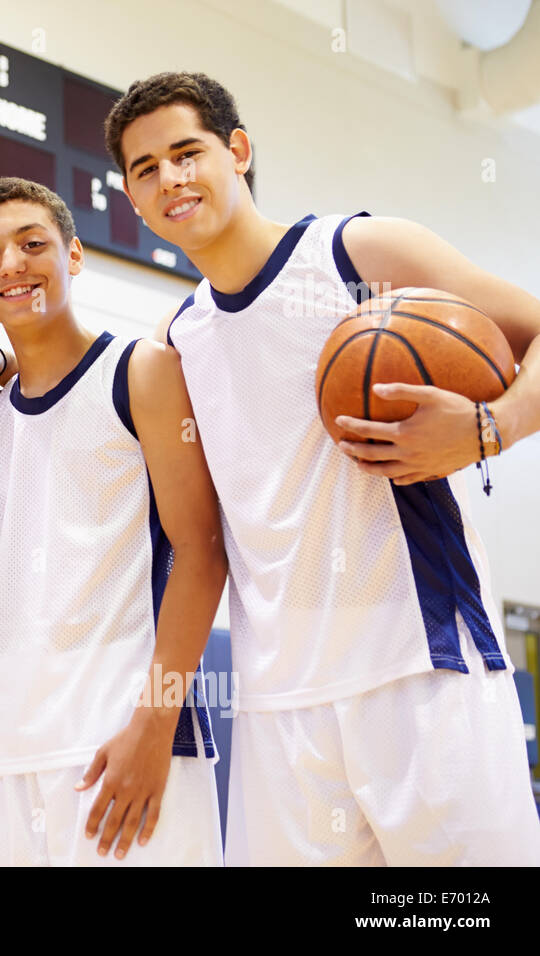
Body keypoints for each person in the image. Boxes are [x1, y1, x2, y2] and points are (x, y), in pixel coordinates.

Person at [94, 70, 539, 865]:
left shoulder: (355, 252)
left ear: (238, 151)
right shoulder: (176, 341)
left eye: (186, 152)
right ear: (131, 197)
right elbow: (194, 544)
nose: (170, 178)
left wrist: (486, 429)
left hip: (421, 670)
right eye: (145, 169)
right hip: (279, 709)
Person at [0, 178, 224, 866]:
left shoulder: (142, 373)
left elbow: (202, 552)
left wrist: (155, 728)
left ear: (74, 255)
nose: (11, 264)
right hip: (10, 750)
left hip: (124, 740)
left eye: (32, 244)